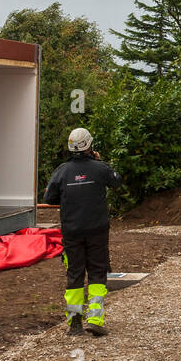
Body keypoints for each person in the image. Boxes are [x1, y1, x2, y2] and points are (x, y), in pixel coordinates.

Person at [44, 127, 123, 336]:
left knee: (75, 274)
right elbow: (117, 181)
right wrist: (100, 162)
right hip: (97, 231)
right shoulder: (100, 168)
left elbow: (49, 199)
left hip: (71, 232)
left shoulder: (61, 171)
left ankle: (74, 323)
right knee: (97, 272)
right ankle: (95, 319)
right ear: (89, 144)